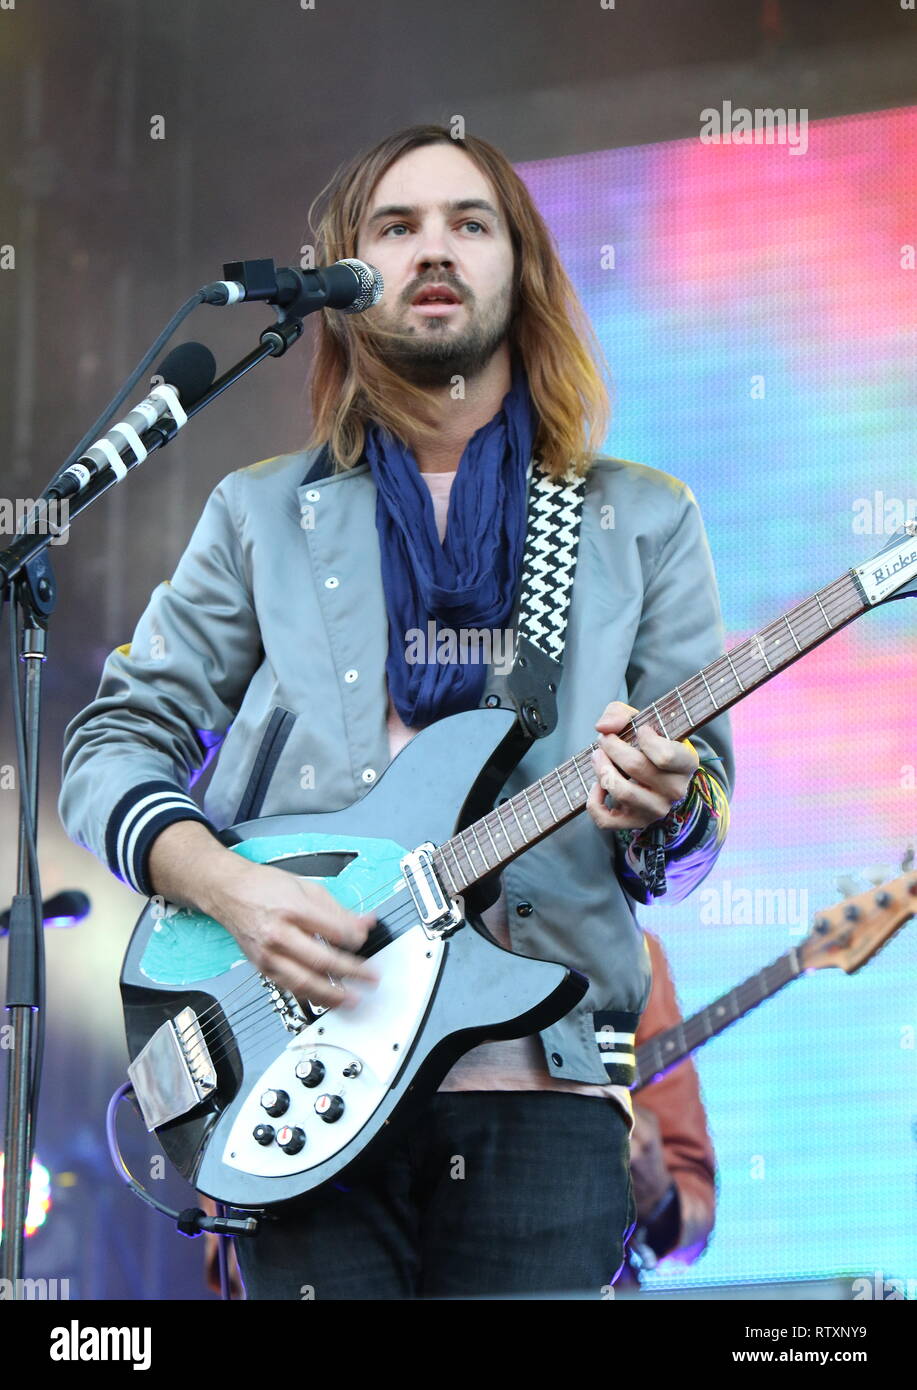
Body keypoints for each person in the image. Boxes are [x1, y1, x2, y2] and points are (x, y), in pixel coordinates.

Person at [59, 124, 733, 1300]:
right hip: (301, 1085)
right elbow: (112, 744)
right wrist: (229, 888)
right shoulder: (260, 514)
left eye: (469, 223)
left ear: (519, 269)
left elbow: (697, 823)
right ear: (346, 282)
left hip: (544, 1101)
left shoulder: (644, 517)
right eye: (396, 226)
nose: (434, 248)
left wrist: (661, 804)